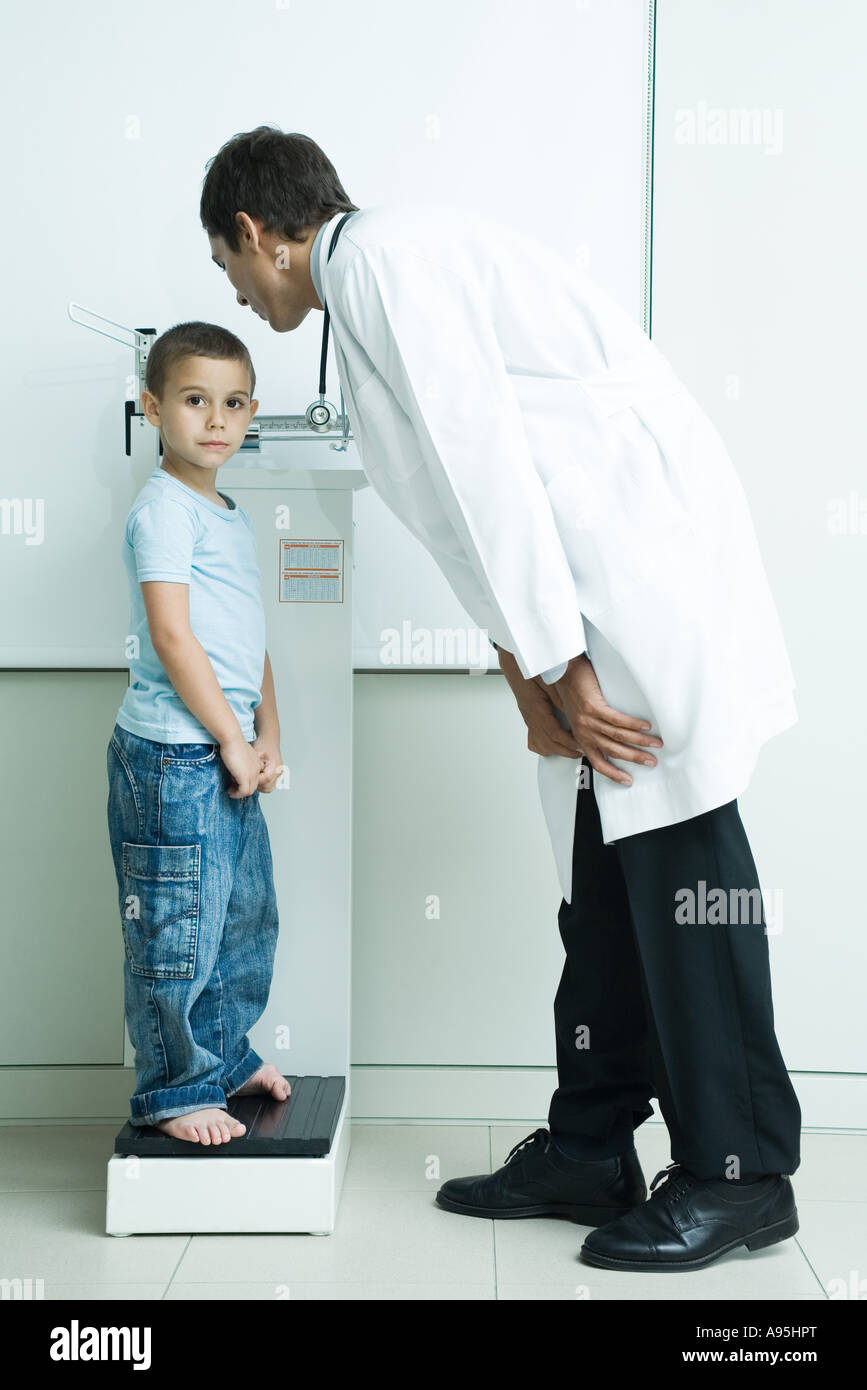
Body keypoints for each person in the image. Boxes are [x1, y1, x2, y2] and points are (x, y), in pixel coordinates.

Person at [198, 126, 801, 1269]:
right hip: (581, 599)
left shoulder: (380, 263)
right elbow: (457, 506)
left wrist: (561, 659)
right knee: (604, 884)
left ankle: (745, 1172)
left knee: (683, 867)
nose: (230, 289)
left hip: (636, 573)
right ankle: (590, 1143)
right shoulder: (366, 292)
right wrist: (529, 671)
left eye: (224, 264)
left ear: (253, 231)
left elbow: (487, 468)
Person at [106, 321, 290, 1146]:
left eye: (232, 403)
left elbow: (248, 641)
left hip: (223, 749)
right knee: (175, 931)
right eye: (192, 401)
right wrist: (226, 738)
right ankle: (176, 1091)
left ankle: (222, 1057)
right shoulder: (163, 512)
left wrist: (265, 736)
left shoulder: (227, 513)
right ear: (152, 408)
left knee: (240, 920)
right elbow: (174, 638)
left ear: (251, 412)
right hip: (174, 757)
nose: (215, 420)